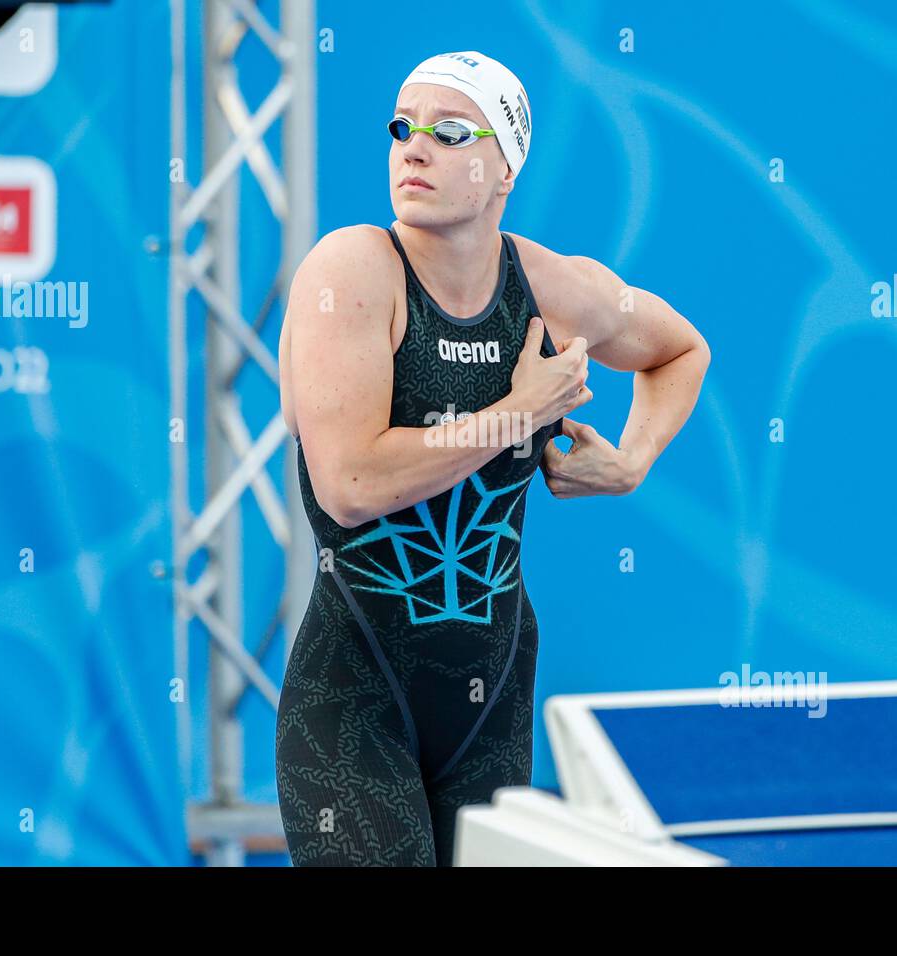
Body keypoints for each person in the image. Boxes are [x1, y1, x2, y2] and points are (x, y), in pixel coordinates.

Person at [275, 50, 711, 866]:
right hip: (354, 694)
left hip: (492, 694)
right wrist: (520, 411)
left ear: (503, 167)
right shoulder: (353, 270)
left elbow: (682, 350)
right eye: (403, 128)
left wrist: (632, 461)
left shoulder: (548, 286)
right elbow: (351, 482)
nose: (414, 148)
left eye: (449, 132)